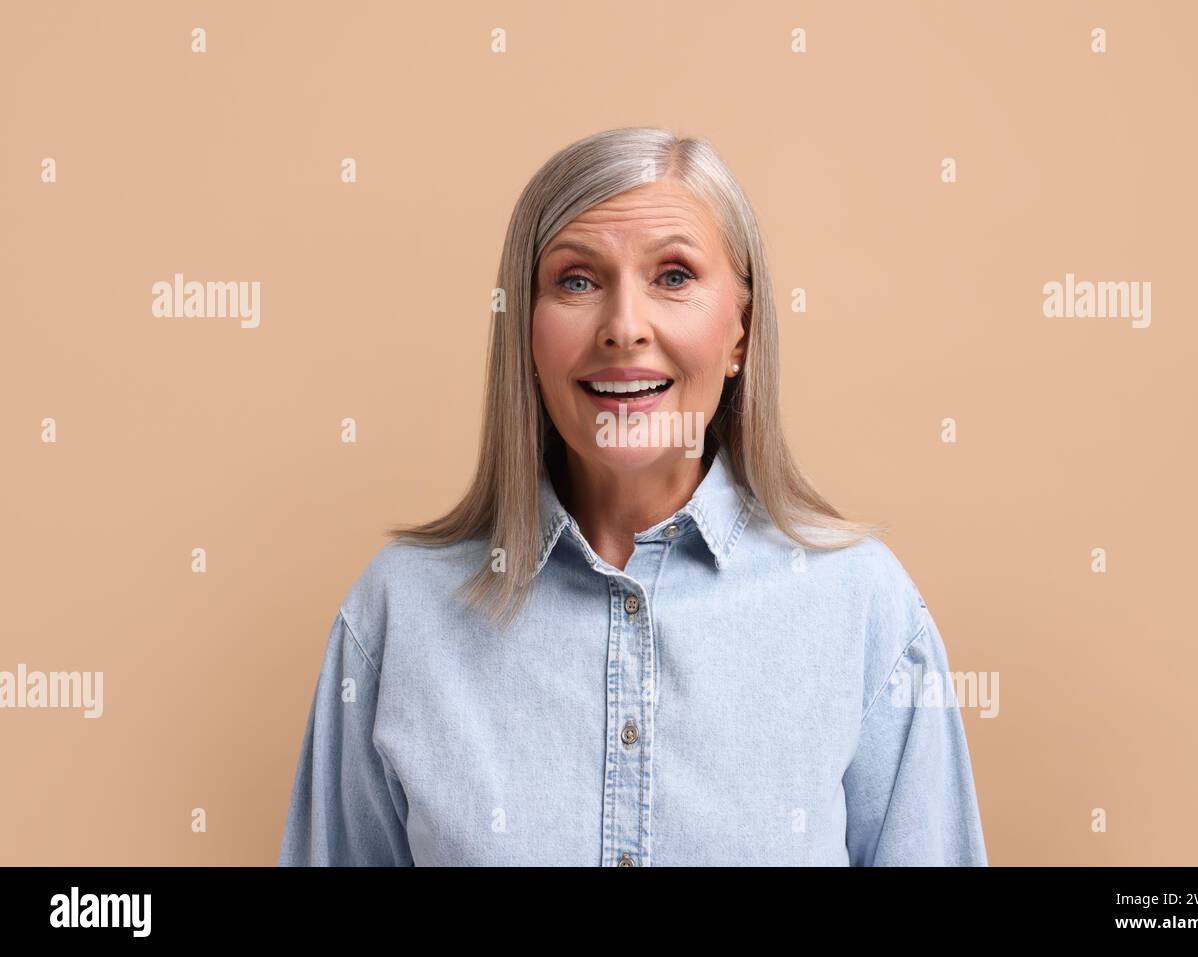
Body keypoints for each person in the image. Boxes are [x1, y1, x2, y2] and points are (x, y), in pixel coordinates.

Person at [278, 127, 989, 866]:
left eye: (674, 276)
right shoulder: (397, 617)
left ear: (741, 329)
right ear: (523, 326)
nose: (623, 328)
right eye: (576, 281)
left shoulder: (865, 608)